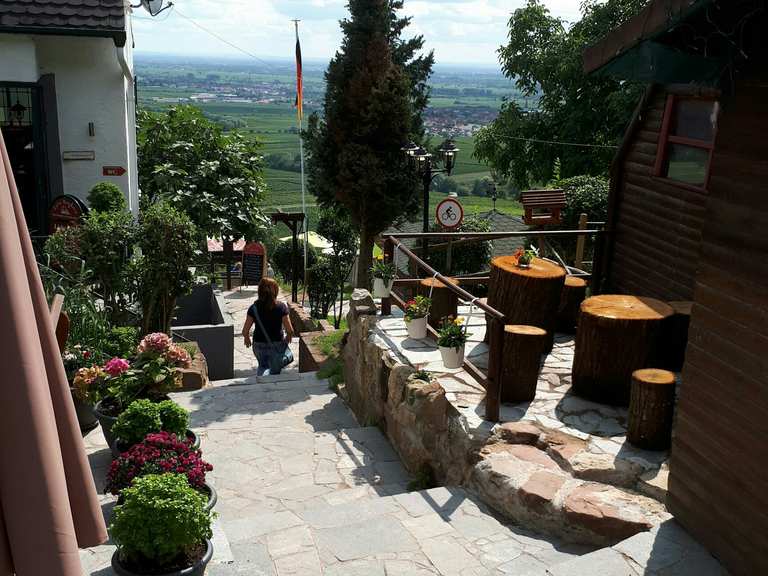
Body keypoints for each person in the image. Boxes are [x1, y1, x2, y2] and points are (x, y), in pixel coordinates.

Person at [242, 278, 294, 376]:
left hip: (259, 344)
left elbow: (245, 330)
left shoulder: (253, 308)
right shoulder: (281, 307)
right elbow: (290, 330)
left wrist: (246, 338)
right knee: (275, 368)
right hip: (277, 344)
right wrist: (288, 337)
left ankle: (262, 381)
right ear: (276, 290)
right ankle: (270, 385)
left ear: (260, 291)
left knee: (263, 366)